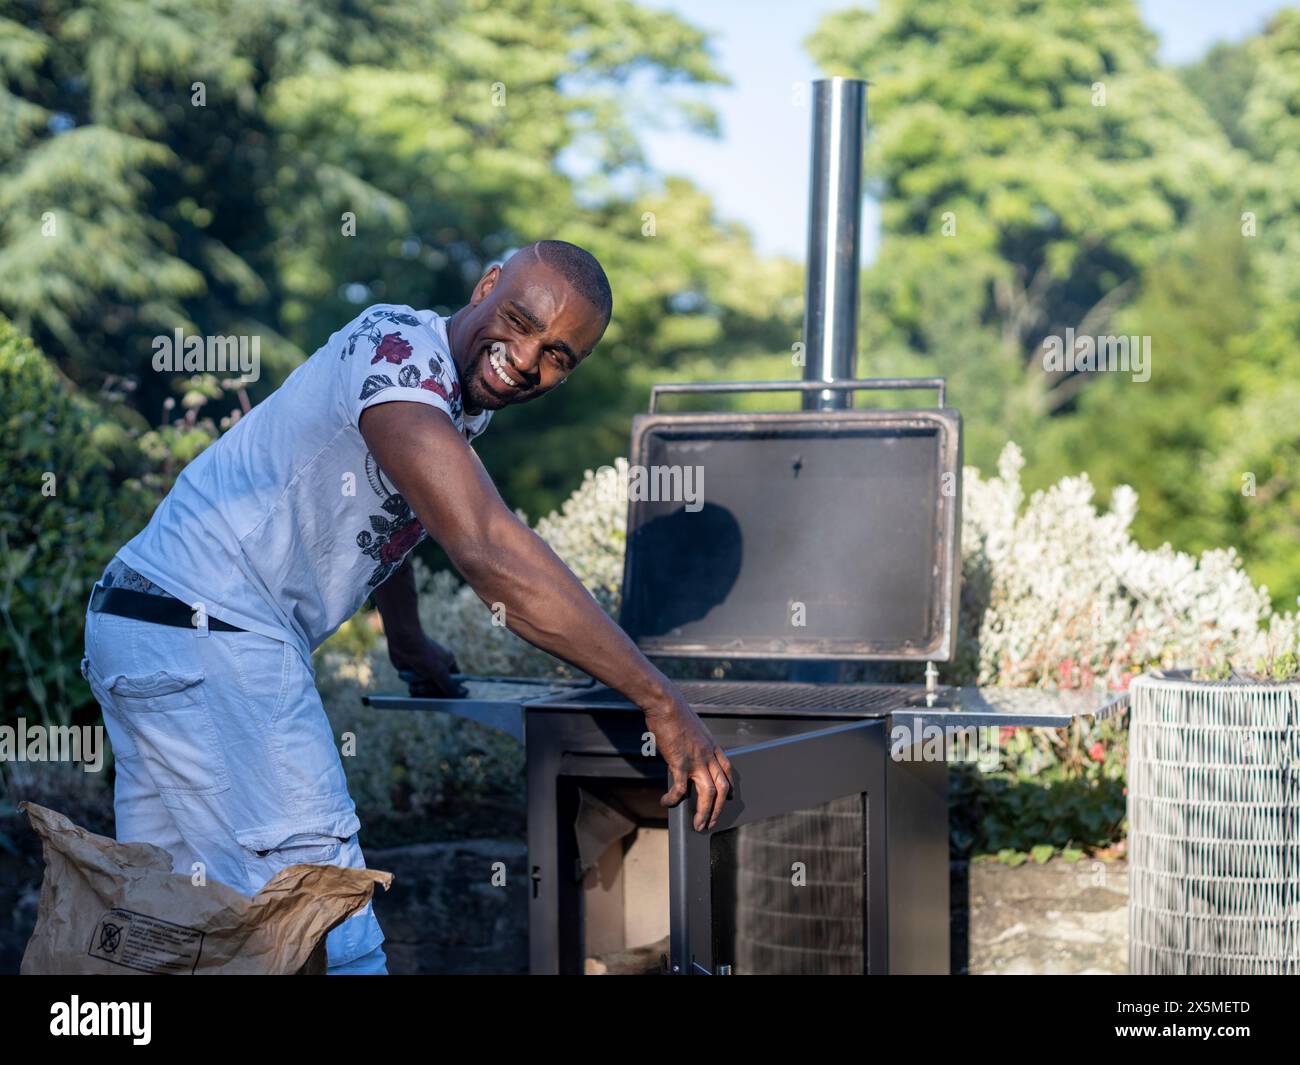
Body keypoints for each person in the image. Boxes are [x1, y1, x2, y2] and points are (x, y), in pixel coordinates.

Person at [80, 240, 733, 974]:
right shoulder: (395, 353)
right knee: (328, 926)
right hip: (214, 636)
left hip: (142, 625)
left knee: (173, 937)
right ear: (488, 284)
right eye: (518, 320)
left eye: (558, 355)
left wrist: (408, 637)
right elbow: (488, 549)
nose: (525, 358)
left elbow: (396, 504)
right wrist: (658, 697)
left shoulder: (442, 401)